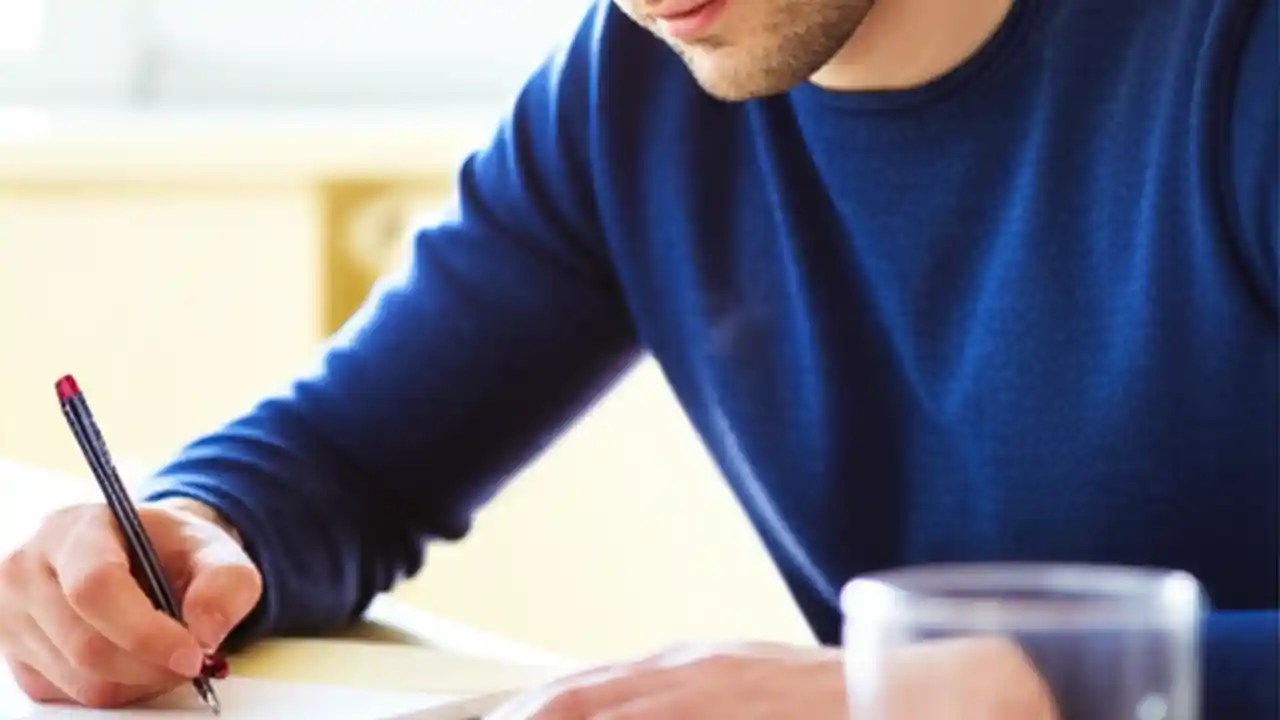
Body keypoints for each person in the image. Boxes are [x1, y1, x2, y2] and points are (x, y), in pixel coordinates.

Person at [1, 0, 1275, 716]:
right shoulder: (631, 87)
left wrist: (938, 694)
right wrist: (188, 533)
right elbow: (347, 462)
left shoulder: (1237, 62)